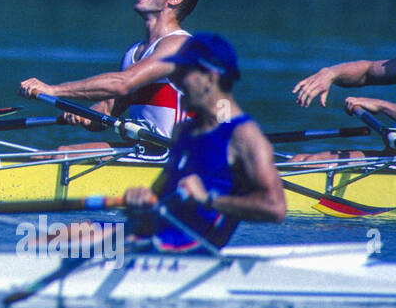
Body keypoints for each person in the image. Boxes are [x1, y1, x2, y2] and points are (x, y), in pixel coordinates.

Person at [120, 33, 286, 251]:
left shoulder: (244, 136)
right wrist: (140, 202)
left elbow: (276, 208)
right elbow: (156, 200)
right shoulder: (184, 131)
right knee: (70, 231)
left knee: (75, 237)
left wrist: (209, 200)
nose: (175, 81)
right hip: (151, 237)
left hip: (189, 249)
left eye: (183, 73)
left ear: (210, 78)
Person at [18, 0, 199, 150]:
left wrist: (53, 90)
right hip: (144, 150)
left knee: (63, 155)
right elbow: (107, 110)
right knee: (50, 155)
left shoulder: (180, 44)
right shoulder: (134, 52)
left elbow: (122, 83)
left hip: (178, 157)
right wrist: (84, 116)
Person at [290, 0, 396, 162]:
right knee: (298, 161)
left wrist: (383, 106)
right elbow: (367, 72)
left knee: (307, 165)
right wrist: (331, 73)